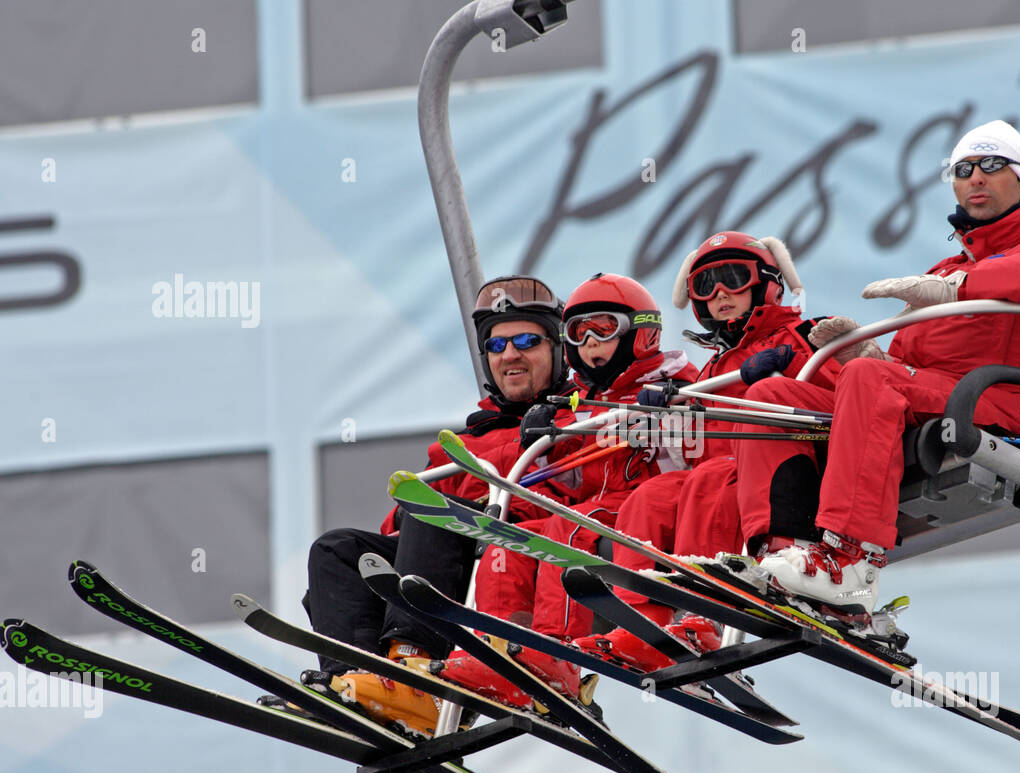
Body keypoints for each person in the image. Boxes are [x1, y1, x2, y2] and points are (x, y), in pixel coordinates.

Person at [738, 120, 1020, 616]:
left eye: (992, 165)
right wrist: (865, 356)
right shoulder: (944, 269)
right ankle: (785, 550)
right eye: (963, 169)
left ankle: (852, 560)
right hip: (929, 393)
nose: (976, 178)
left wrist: (960, 287)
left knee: (870, 380)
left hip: (995, 400)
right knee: (772, 399)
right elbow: (907, 366)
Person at [289, 275, 579, 738]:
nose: (510, 354)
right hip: (448, 552)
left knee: (437, 510)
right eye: (497, 344)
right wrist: (409, 517)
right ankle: (355, 680)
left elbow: (586, 504)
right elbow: (399, 533)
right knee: (337, 549)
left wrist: (549, 440)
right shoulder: (462, 443)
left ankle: (415, 676)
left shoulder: (579, 423)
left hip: (518, 550)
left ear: (558, 351)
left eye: (527, 340)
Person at [580, 231, 845, 671]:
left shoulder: (804, 335)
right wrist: (664, 412)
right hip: (722, 471)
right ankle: (645, 625)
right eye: (706, 285)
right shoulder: (713, 366)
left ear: (766, 281)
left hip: (788, 469)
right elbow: (696, 441)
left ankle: (705, 618)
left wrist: (794, 364)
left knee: (709, 480)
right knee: (652, 497)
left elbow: (844, 403)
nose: (720, 293)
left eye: (733, 278)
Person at [434, 273, 699, 707]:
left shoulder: (670, 378)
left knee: (566, 530)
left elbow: (701, 450)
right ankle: (502, 652)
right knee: (510, 543)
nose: (592, 343)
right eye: (580, 333)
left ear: (640, 331)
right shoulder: (579, 400)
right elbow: (570, 478)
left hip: (650, 509)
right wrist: (549, 436)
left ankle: (556, 653)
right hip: (601, 510)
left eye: (605, 329)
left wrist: (672, 411)